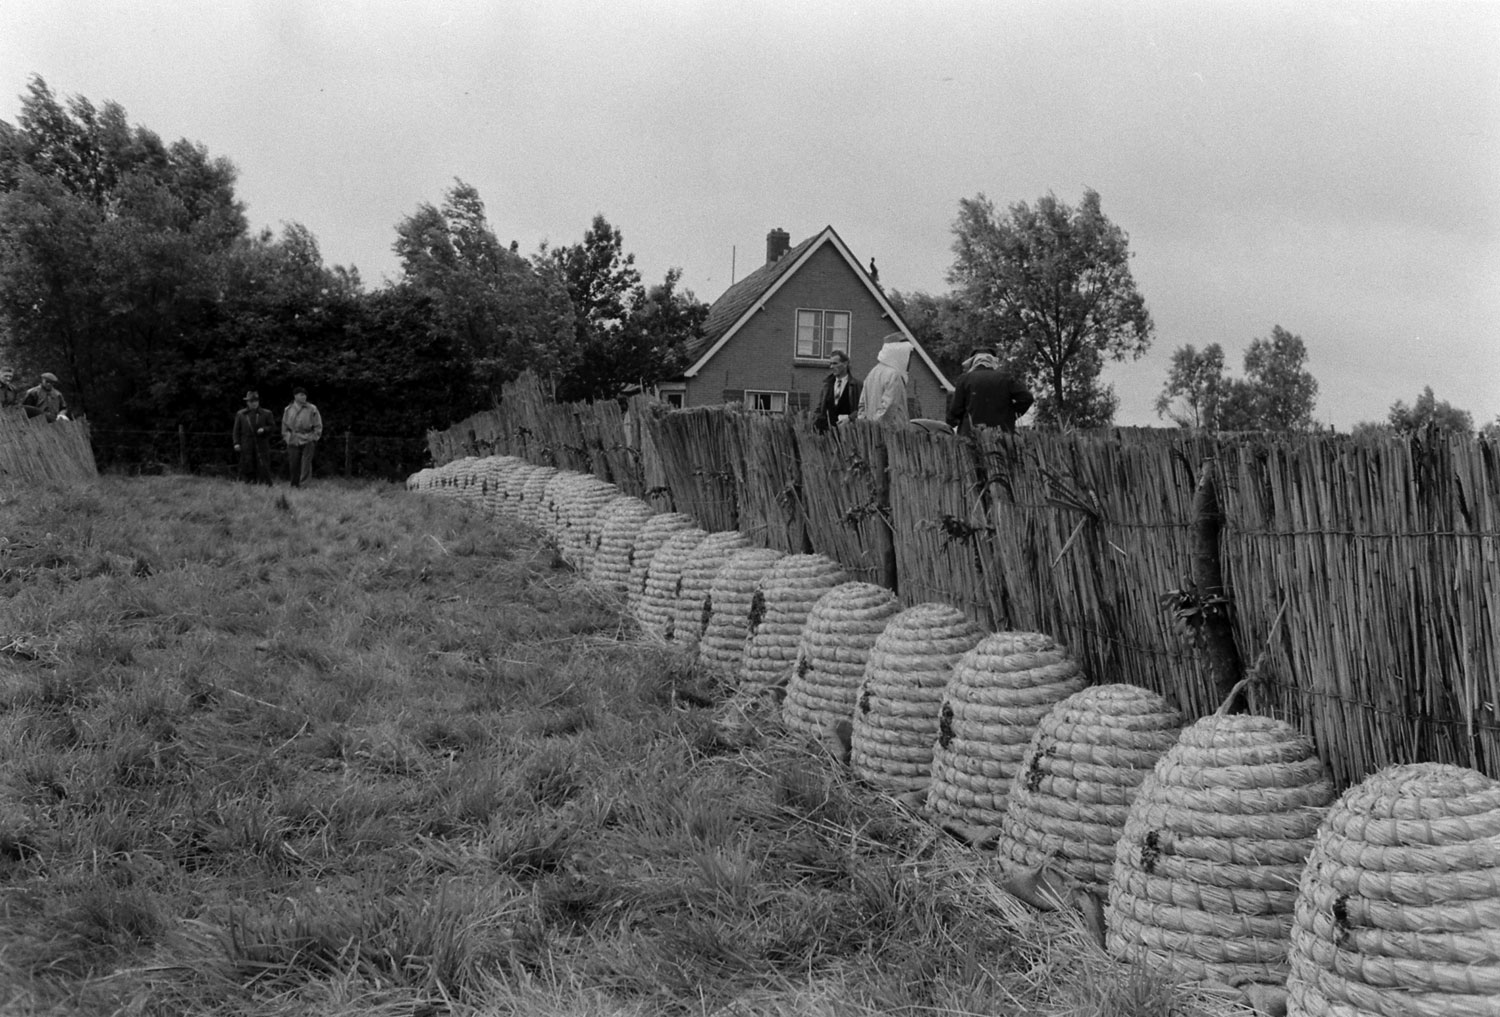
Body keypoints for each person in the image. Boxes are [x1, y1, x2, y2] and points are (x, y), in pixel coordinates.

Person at [946, 349, 1034, 435]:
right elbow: (1027, 398)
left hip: (971, 434)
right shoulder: (1005, 378)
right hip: (1002, 434)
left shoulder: (964, 379)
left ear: (973, 362)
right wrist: (1010, 415)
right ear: (993, 362)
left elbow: (955, 410)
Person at [857, 334, 912, 425]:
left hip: (872, 432)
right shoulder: (894, 375)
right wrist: (877, 425)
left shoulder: (872, 373)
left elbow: (862, 405)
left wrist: (866, 426)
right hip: (891, 432)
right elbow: (889, 407)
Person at [233, 390, 277, 485]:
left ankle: (265, 484)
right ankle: (248, 483)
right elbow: (236, 430)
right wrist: (236, 443)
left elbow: (272, 427)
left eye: (255, 401)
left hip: (261, 443)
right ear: (247, 402)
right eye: (251, 401)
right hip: (246, 443)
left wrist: (264, 429)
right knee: (247, 464)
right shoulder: (241, 414)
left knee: (263, 464)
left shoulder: (266, 413)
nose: (254, 403)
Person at [282, 387, 323, 487]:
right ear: (295, 396)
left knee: (306, 464)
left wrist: (313, 438)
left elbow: (318, 425)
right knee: (293, 463)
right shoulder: (288, 409)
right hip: (293, 437)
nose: (304, 397)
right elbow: (284, 426)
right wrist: (287, 438)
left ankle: (305, 484)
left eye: (305, 395)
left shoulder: (312, 408)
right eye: (301, 395)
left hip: (307, 437)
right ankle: (294, 484)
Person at [814, 349, 861, 432]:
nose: (831, 367)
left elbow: (861, 410)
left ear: (845, 364)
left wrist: (850, 418)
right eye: (831, 364)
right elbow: (820, 409)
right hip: (827, 435)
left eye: (835, 363)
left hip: (848, 434)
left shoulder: (857, 386)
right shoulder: (827, 385)